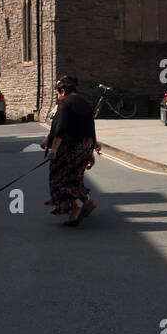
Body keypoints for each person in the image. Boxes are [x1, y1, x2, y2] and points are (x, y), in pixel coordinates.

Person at [40, 76, 98, 225]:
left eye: (58, 93)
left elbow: (60, 128)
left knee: (58, 178)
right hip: (86, 145)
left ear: (63, 91)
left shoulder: (64, 104)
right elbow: (90, 126)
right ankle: (86, 202)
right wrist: (94, 144)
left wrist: (53, 149)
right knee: (75, 177)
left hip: (70, 146)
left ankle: (78, 206)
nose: (58, 97)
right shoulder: (84, 103)